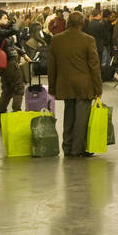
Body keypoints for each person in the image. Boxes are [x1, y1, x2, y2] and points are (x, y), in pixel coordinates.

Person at [49, 10, 104, 157]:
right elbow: (94, 66)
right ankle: (77, 149)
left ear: (68, 23)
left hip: (65, 84)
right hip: (84, 85)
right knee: (81, 117)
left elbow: (52, 66)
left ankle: (67, 146)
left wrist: (52, 87)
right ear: (82, 23)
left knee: (69, 114)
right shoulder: (88, 40)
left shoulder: (56, 39)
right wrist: (98, 87)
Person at [0, 9, 29, 124]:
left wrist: (23, 54)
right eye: (5, 18)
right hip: (9, 63)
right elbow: (14, 31)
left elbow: (10, 46)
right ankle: (16, 114)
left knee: (7, 90)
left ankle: (0, 116)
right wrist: (13, 24)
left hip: (4, 63)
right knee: (19, 88)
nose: (7, 20)